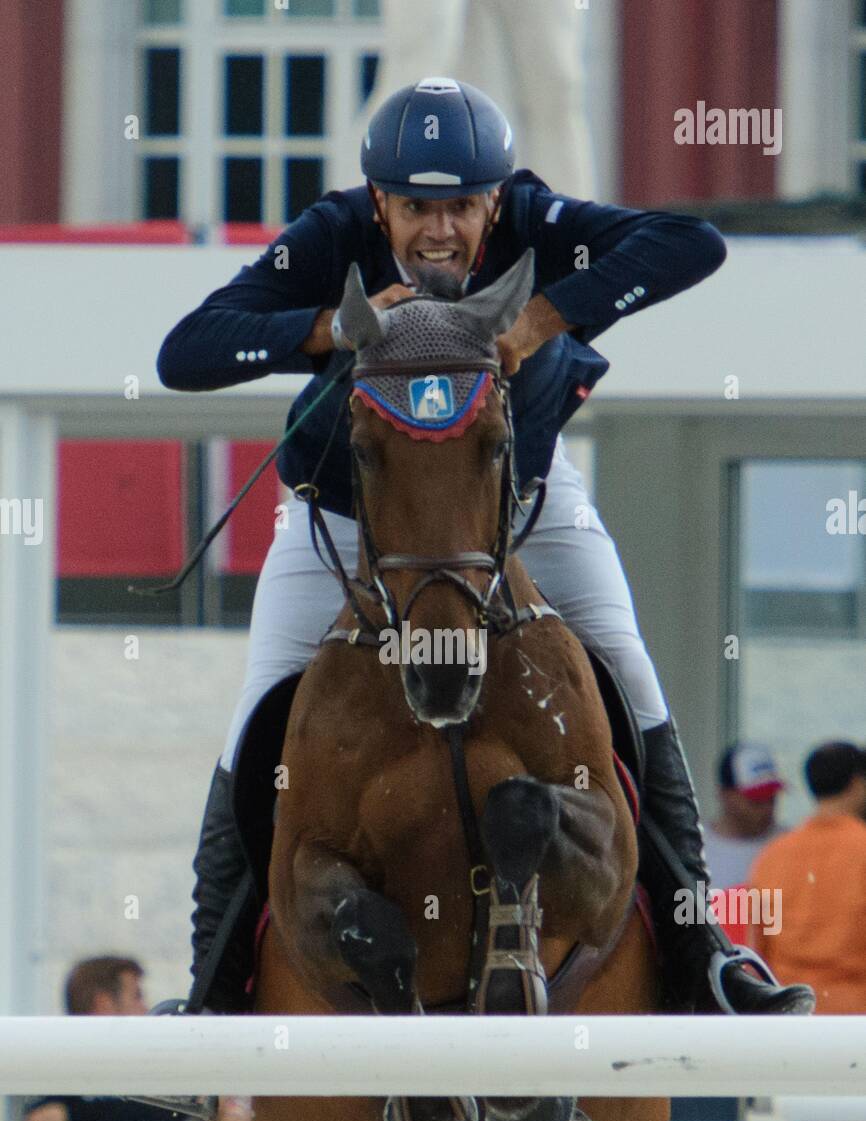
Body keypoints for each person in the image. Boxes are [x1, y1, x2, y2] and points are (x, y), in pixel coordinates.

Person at [156, 77, 814, 1018]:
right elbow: (186, 352)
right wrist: (326, 328)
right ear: (377, 201)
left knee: (630, 672)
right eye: (414, 207)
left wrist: (543, 316)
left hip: (520, 506)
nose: (439, 232)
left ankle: (702, 950)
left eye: (461, 207)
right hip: (344, 519)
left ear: (494, 202)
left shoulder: (539, 223)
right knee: (256, 713)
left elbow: (693, 243)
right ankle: (212, 995)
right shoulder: (330, 236)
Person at [23, 958, 248, 1121]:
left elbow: (210, 1097)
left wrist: (232, 1109)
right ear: (104, 1004)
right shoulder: (65, 1064)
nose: (146, 1008)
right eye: (137, 996)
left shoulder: (159, 1059)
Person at [749, 743, 866, 1013]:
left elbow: (757, 949)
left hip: (791, 1011)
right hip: (855, 1015)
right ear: (857, 783)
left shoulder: (772, 855)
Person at [703, 743, 787, 890]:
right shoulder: (693, 850)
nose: (767, 808)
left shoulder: (791, 845)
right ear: (725, 795)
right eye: (756, 800)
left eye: (772, 798)